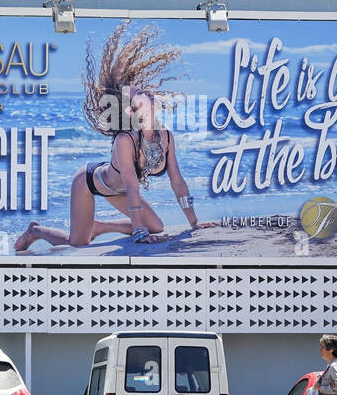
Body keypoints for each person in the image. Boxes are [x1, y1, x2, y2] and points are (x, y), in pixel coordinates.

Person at [14, 20, 216, 252]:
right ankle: (36, 231)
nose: (147, 92)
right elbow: (131, 186)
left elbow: (178, 182)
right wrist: (139, 232)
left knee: (157, 227)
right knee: (78, 243)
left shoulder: (166, 137)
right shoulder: (125, 140)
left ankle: (100, 226)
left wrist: (194, 222)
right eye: (140, 93)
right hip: (90, 183)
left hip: (118, 189)